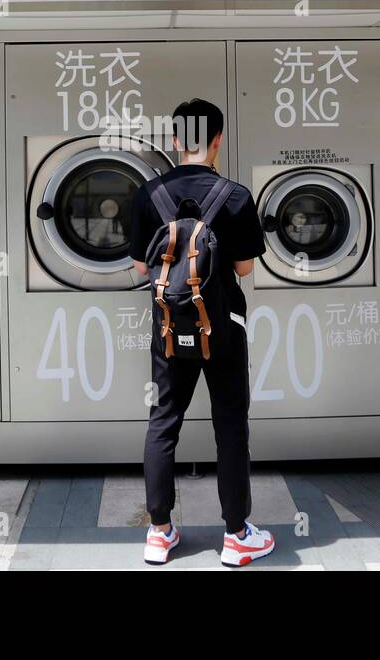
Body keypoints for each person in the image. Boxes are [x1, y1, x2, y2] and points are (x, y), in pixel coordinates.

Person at [128, 98, 275, 567]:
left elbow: (138, 267)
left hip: (170, 327)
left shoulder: (147, 193)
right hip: (223, 327)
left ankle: (159, 531)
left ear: (174, 140)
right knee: (230, 425)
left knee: (163, 420)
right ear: (217, 140)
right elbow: (245, 268)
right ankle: (236, 537)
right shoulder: (235, 196)